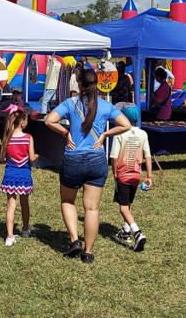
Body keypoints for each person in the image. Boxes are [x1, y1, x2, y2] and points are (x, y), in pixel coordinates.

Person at [45, 69, 132, 264]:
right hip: (96, 160)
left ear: (79, 83)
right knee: (92, 208)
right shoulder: (105, 105)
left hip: (73, 159)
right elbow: (126, 125)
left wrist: (65, 133)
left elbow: (49, 120)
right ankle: (88, 252)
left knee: (68, 201)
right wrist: (104, 136)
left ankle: (75, 240)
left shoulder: (70, 103)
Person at [109, 105, 152, 252]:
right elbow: (148, 156)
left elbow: (114, 156)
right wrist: (149, 176)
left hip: (123, 174)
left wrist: (114, 171)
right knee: (128, 204)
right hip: (136, 175)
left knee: (122, 208)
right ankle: (126, 231)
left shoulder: (120, 134)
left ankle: (137, 232)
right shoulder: (143, 134)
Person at [0, 109, 39, 246]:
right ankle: (25, 229)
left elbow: (2, 158)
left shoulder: (7, 138)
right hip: (24, 175)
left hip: (10, 174)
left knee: (11, 205)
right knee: (24, 203)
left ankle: (9, 236)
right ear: (22, 122)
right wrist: (38, 155)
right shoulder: (28, 138)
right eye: (26, 120)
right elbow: (32, 158)